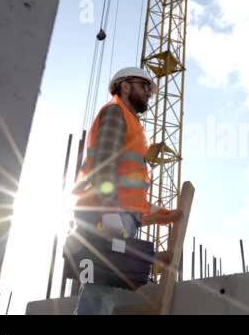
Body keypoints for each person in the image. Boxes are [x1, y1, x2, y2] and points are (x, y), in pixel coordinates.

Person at [68, 67, 182, 314]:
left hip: (119, 214)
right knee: (100, 286)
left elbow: (131, 191)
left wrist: (161, 214)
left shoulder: (133, 124)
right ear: (126, 87)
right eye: (144, 88)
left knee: (110, 284)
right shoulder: (115, 112)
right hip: (106, 211)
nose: (149, 95)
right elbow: (105, 164)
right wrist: (107, 212)